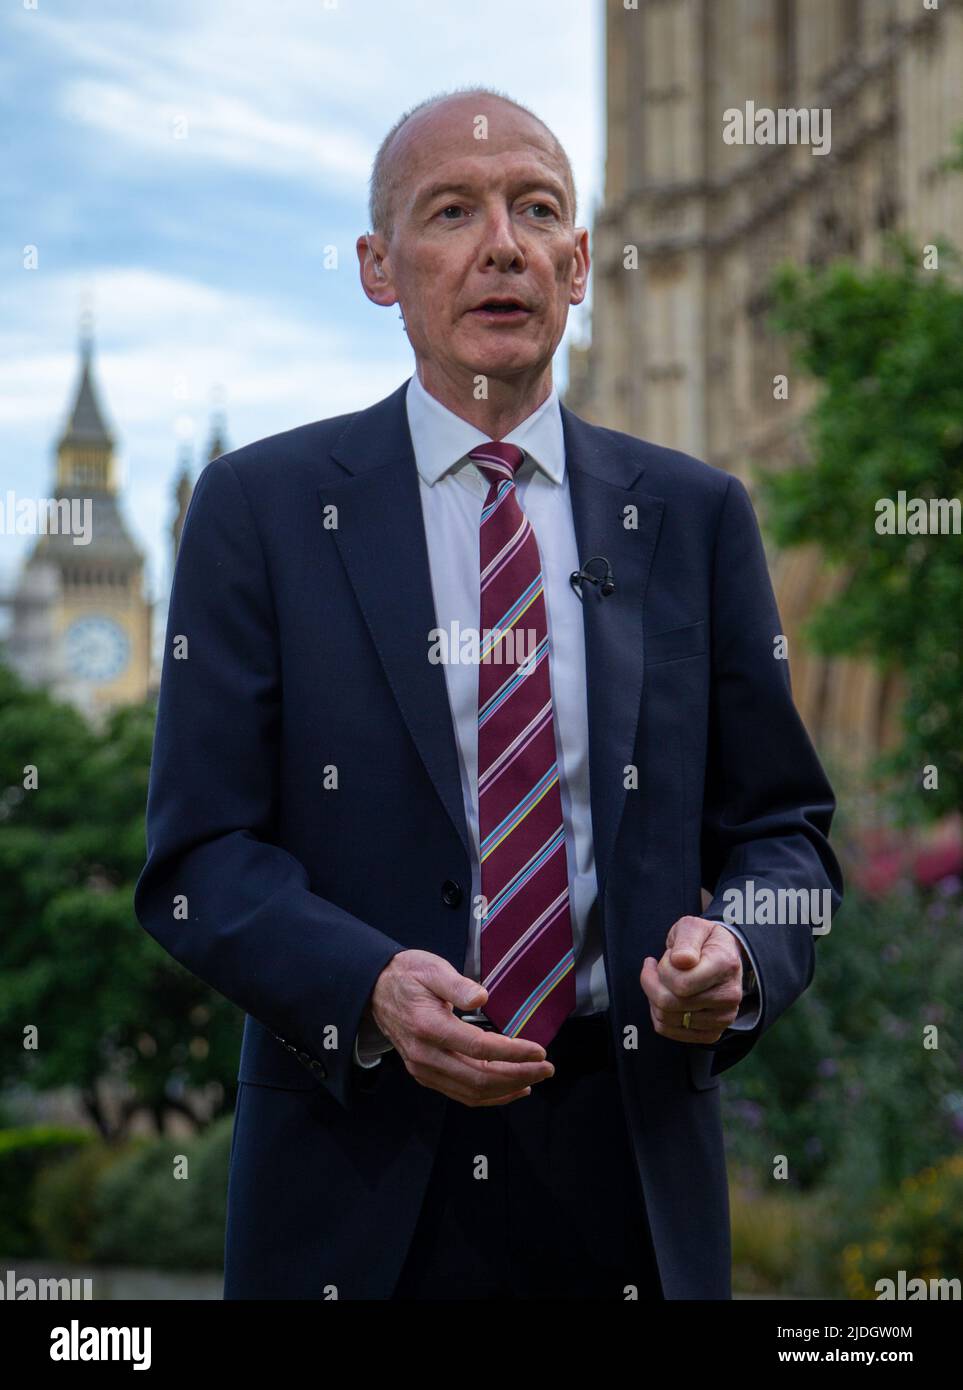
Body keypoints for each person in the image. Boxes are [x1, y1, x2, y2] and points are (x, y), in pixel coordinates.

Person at [134, 86, 842, 1300]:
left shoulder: (696, 515)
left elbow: (785, 836)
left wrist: (738, 947)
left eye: (537, 209)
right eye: (451, 211)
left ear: (578, 263)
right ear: (378, 267)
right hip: (357, 1175)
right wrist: (368, 985)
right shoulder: (259, 511)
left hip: (628, 1177)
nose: (501, 243)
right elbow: (197, 859)